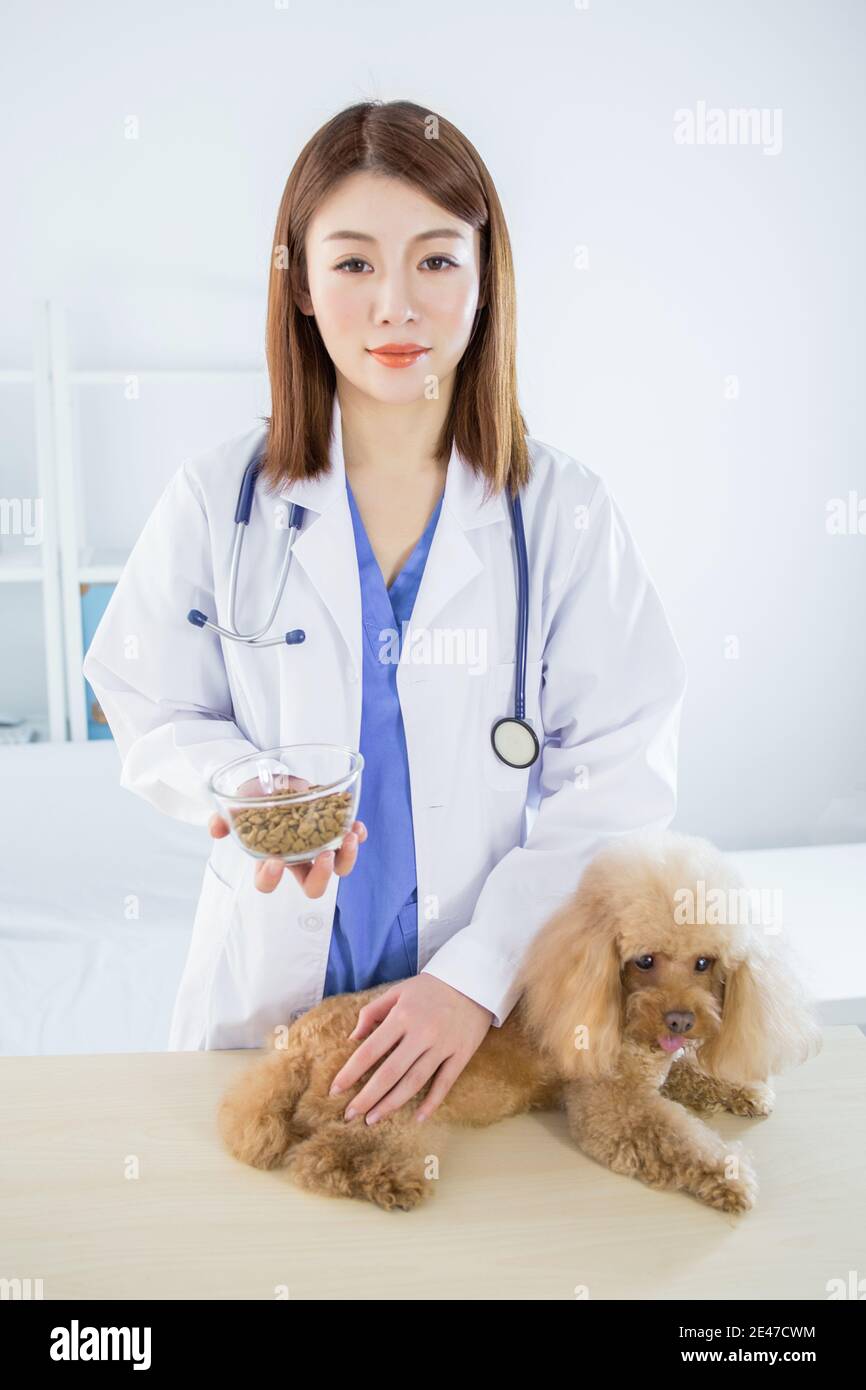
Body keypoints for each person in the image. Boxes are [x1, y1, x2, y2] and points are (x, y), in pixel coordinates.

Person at [82, 98, 687, 1130]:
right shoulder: (216, 499)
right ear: (302, 285)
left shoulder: (563, 515)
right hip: (263, 1001)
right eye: (354, 262)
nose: (395, 306)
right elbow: (145, 700)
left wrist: (477, 975)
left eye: (435, 261)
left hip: (481, 1023)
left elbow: (620, 776)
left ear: (485, 277)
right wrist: (241, 779)